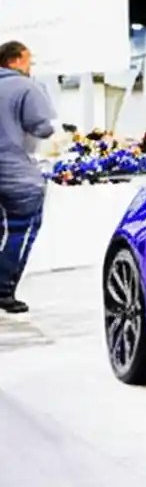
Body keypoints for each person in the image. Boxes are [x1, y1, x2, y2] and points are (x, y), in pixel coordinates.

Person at [0, 41, 56, 314]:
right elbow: (42, 128)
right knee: (22, 228)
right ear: (16, 60)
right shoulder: (26, 87)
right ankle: (4, 291)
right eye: (29, 60)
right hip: (15, 173)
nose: (30, 65)